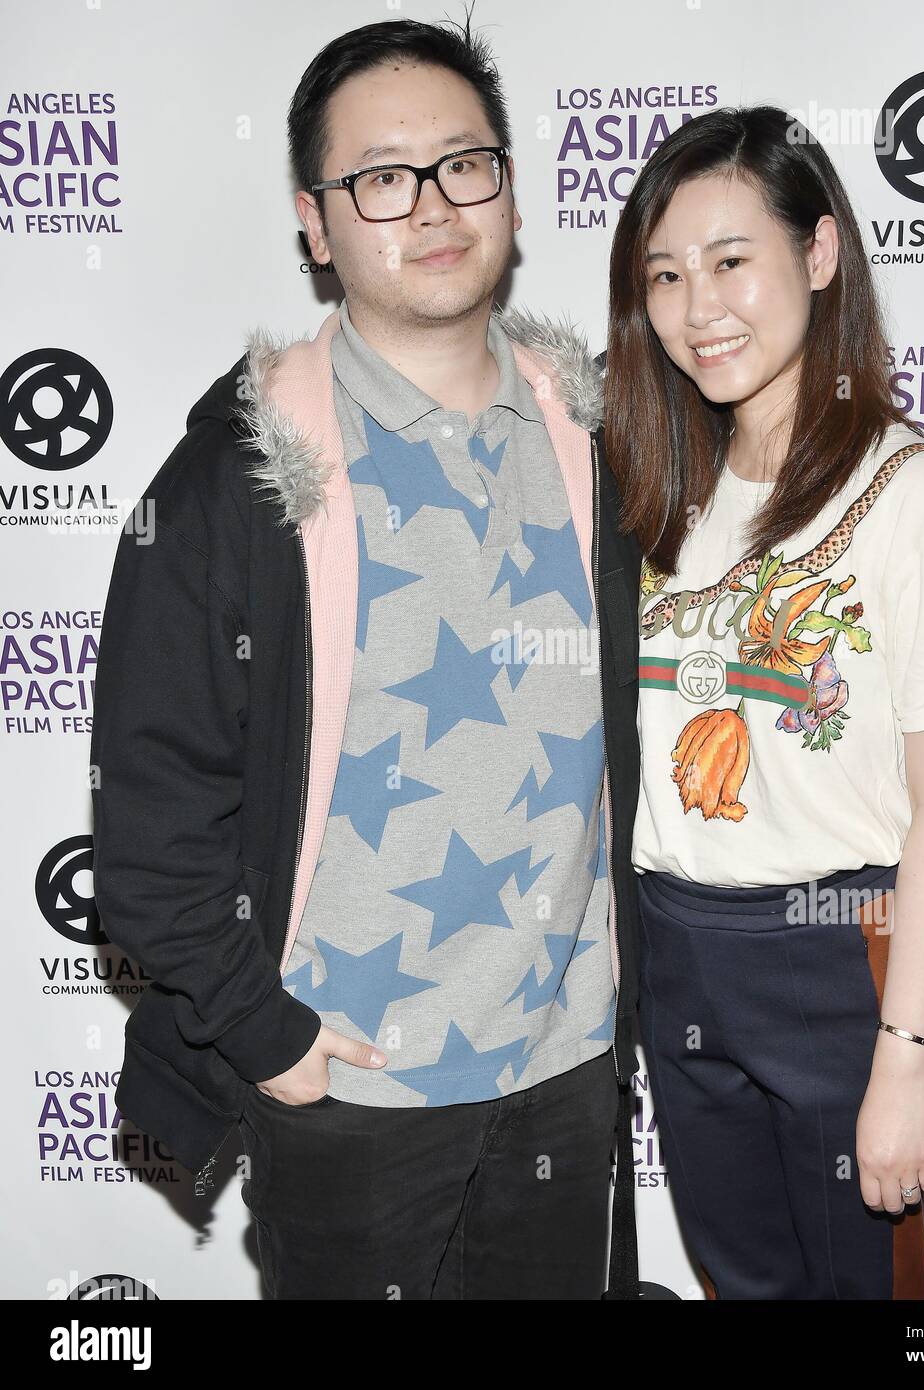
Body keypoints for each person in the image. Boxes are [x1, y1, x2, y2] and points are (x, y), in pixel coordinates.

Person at [89, 16, 644, 1300]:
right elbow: (149, 811)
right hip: (349, 1088)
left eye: (465, 163)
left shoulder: (606, 438)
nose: (434, 204)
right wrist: (263, 1034)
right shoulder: (233, 481)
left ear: (507, 182)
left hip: (565, 1068)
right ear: (314, 220)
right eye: (381, 177)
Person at [603, 105, 924, 1299]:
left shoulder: (912, 496)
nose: (696, 307)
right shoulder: (655, 491)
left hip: (838, 964)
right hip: (679, 951)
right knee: (739, 1286)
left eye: (731, 262)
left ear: (818, 255)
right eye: (664, 275)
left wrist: (904, 1062)